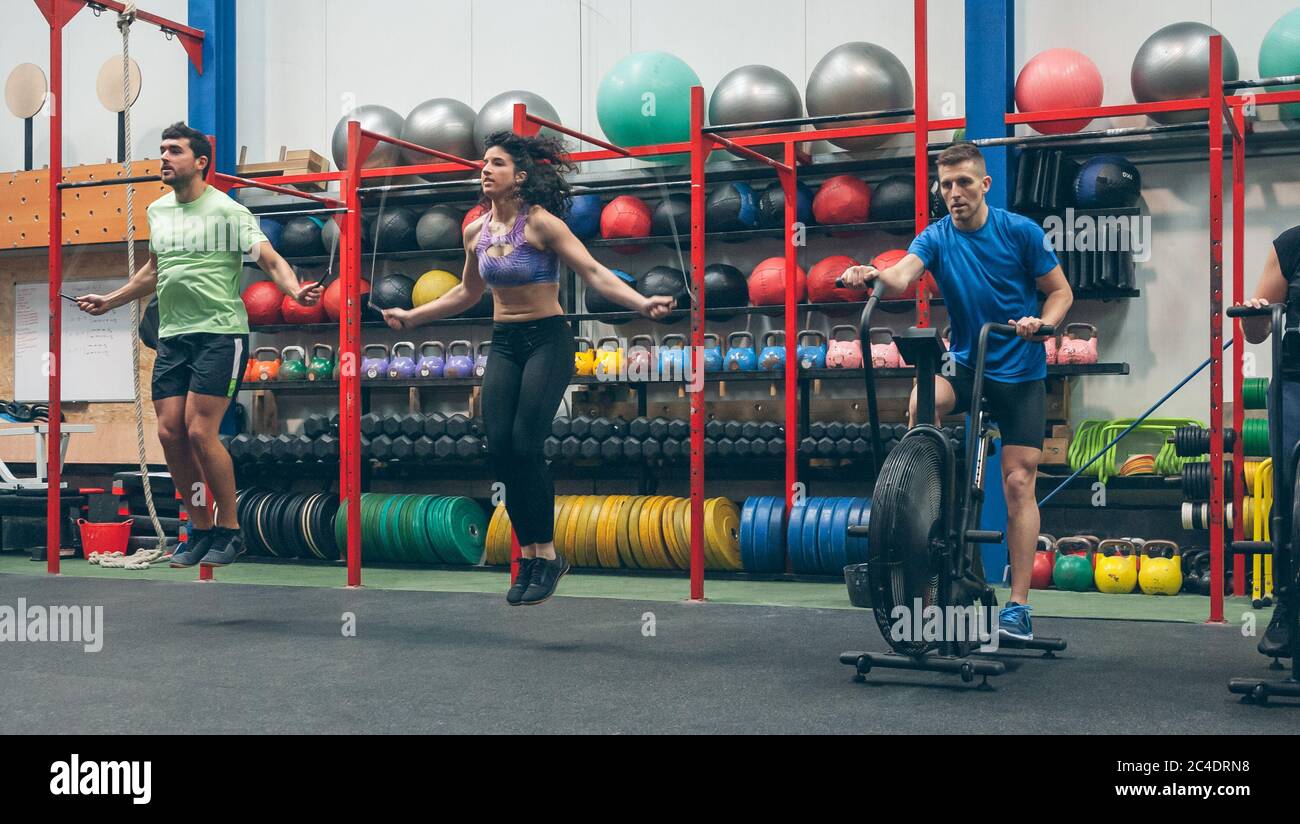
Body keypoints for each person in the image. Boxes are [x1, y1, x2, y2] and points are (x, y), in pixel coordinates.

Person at [381, 131, 673, 606]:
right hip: (505, 343)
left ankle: (548, 556)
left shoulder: (542, 224)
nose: (485, 169)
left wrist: (642, 302)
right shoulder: (474, 230)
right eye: (483, 162)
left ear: (519, 177)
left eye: (496, 163)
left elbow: (595, 273)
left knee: (525, 443)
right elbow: (467, 293)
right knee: (499, 448)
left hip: (548, 340)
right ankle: (530, 556)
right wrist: (412, 318)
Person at [840, 142, 1074, 641]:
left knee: (1017, 481)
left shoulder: (1020, 232)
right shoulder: (936, 237)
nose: (954, 193)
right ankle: (927, 505)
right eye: (946, 185)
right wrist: (872, 274)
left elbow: (1060, 291)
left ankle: (1018, 606)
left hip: (1018, 369)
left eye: (964, 182)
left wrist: (1045, 324)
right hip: (967, 364)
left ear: (984, 185)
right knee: (923, 405)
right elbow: (903, 275)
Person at [77, 122, 321, 568]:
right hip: (172, 336)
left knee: (198, 430)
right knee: (170, 433)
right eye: (162, 150)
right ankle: (200, 527)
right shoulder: (158, 211)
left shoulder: (226, 211)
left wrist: (292, 290)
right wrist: (110, 301)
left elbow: (268, 257)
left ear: (200, 162)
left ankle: (230, 528)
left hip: (219, 334)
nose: (164, 158)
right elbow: (153, 270)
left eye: (174, 151)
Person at [1237, 225, 1300, 658]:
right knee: (1291, 493)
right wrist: (1258, 313)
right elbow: (1256, 332)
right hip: (1296, 383)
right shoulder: (1292, 245)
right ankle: (1288, 608)